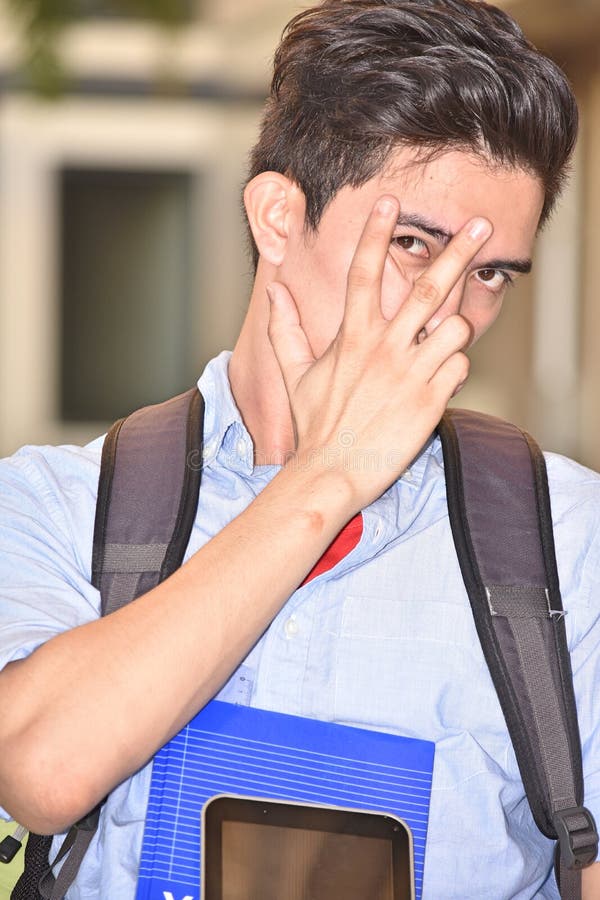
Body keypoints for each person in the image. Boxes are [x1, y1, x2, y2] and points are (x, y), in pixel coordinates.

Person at [0, 0, 598, 896]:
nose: (451, 315)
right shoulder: (58, 504)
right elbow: (41, 770)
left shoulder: (567, 540)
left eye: (488, 275)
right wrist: (326, 476)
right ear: (278, 217)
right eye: (413, 246)